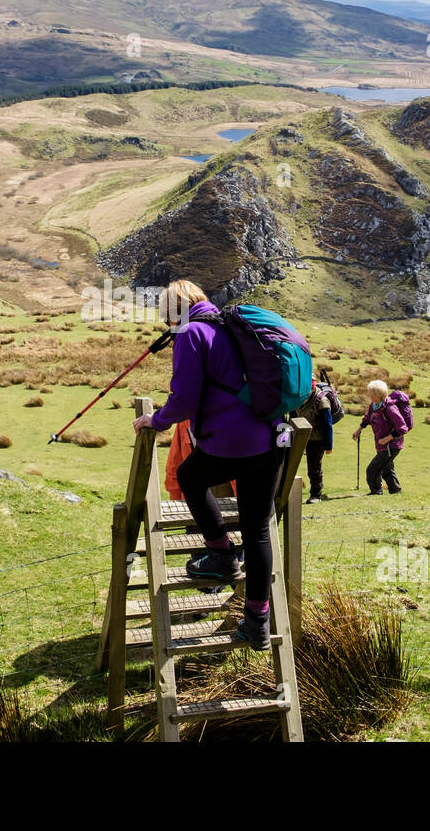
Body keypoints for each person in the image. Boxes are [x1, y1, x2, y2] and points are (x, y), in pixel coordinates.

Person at [133, 279, 287, 651]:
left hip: (231, 442)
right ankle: (257, 622)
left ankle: (219, 554)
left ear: (173, 311)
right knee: (258, 531)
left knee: (189, 476)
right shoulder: (238, 326)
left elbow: (183, 400)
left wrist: (154, 422)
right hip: (270, 441)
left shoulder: (191, 333)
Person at [351, 380, 407, 495]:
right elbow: (368, 418)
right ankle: (395, 491)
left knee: (372, 469)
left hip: (391, 446)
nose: (369, 396)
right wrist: (359, 429)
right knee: (387, 469)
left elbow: (402, 428)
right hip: (382, 445)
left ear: (379, 395)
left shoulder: (390, 408)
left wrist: (388, 438)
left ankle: (376, 492)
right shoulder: (374, 405)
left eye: (371, 395)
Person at [294, 377, 334, 503]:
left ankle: (316, 494)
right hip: (299, 436)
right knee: (290, 464)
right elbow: (293, 416)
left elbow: (327, 426)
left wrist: (328, 446)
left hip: (316, 440)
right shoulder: (298, 397)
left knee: (314, 467)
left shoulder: (322, 401)